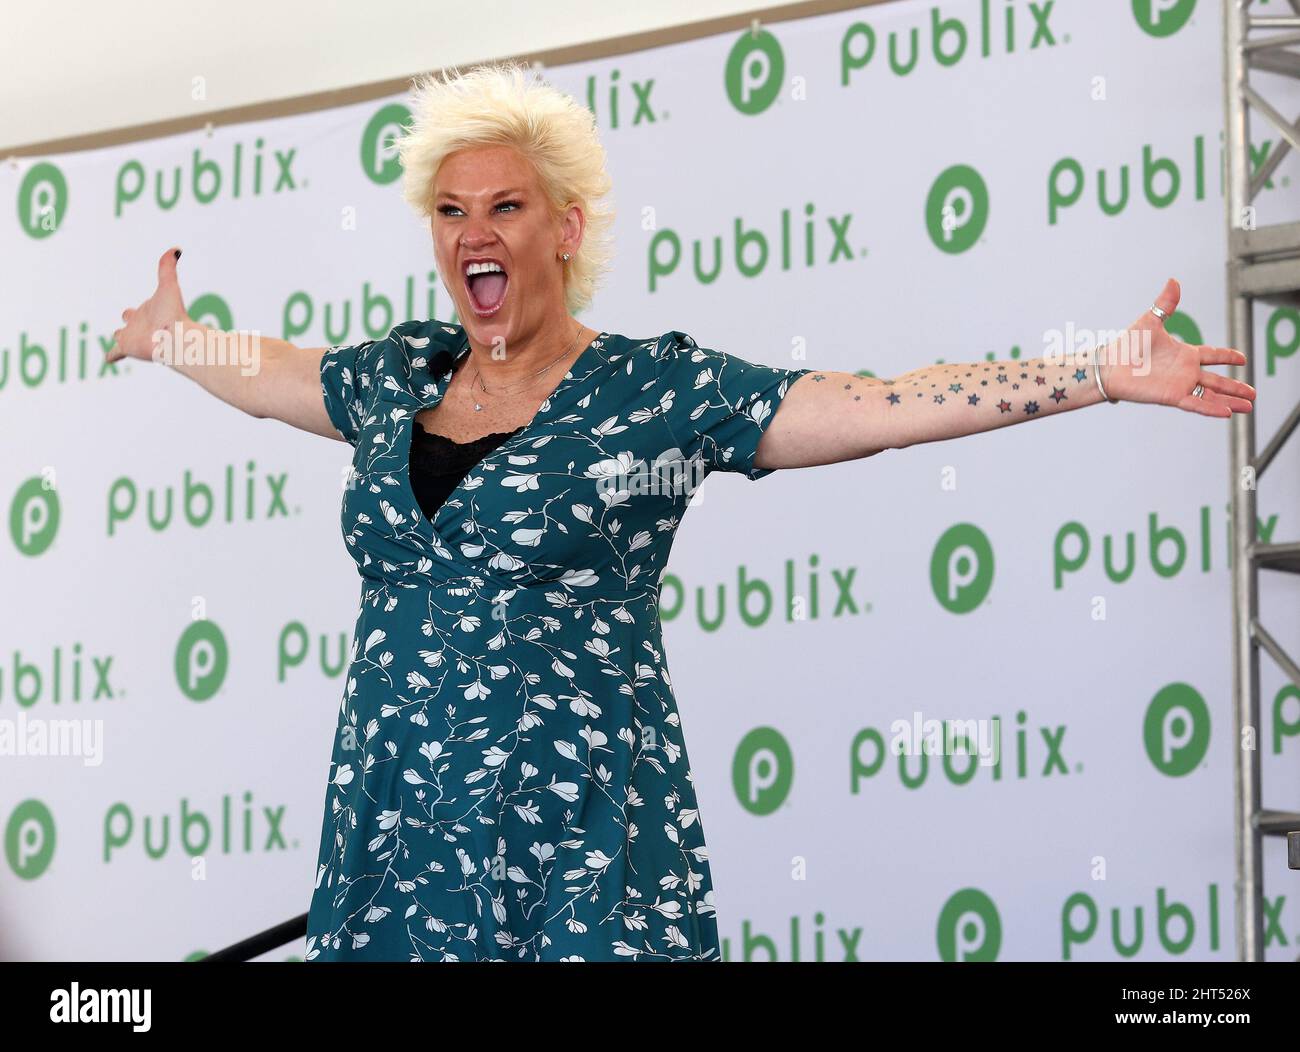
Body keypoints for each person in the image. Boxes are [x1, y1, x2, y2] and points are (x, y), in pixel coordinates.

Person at [107, 62, 1256, 962]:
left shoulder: (654, 391)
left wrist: (1093, 371)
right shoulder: (396, 375)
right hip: (399, 834)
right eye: (453, 210)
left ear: (564, 227)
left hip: (581, 852)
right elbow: (268, 372)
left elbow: (881, 402)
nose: (475, 233)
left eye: (506, 205)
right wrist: (173, 339)